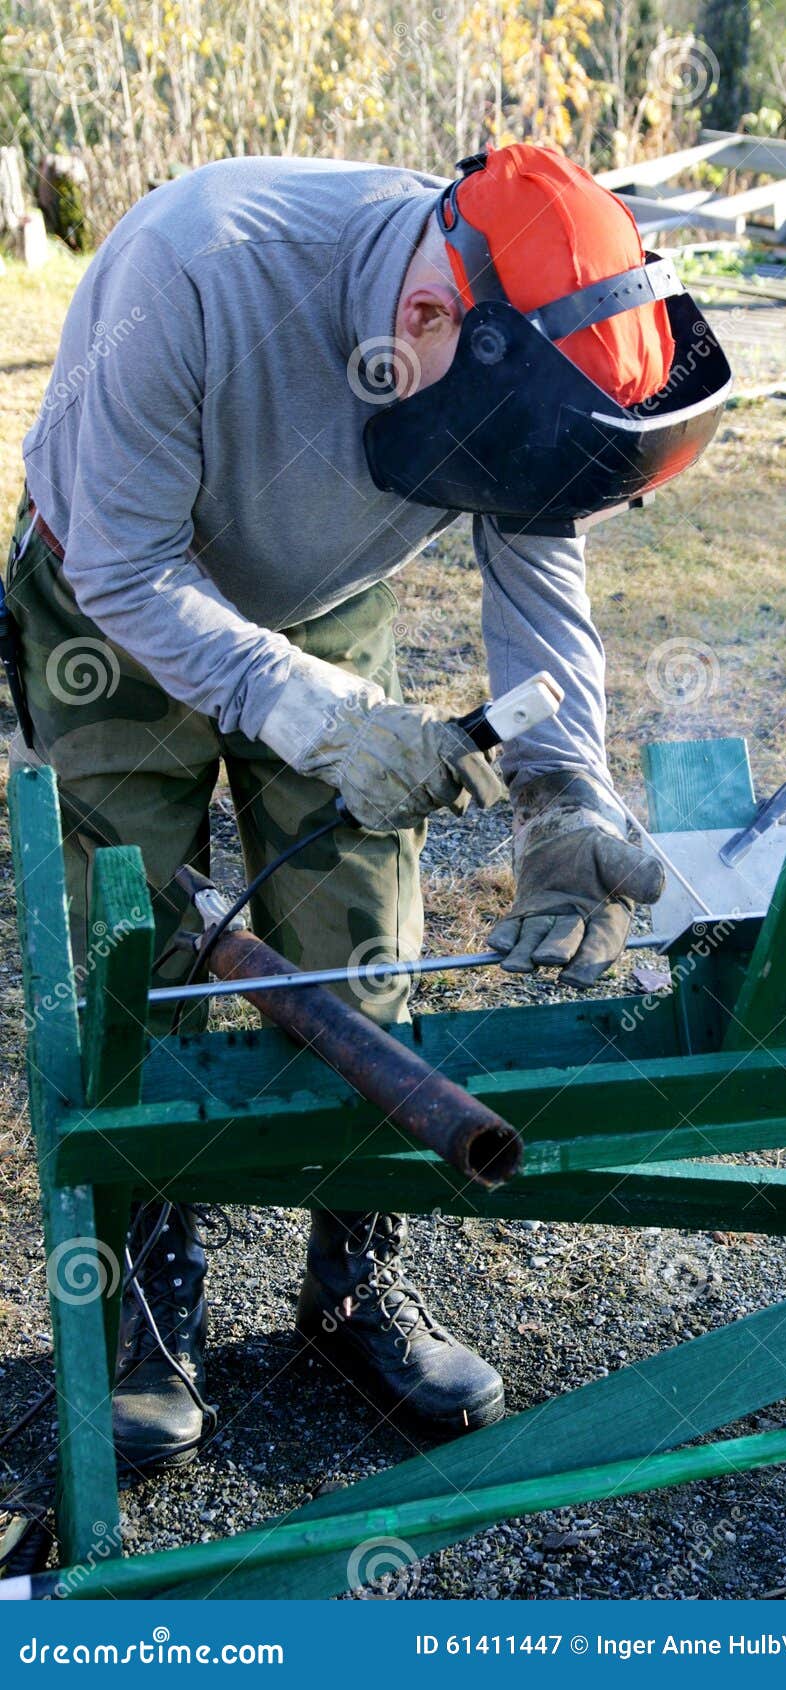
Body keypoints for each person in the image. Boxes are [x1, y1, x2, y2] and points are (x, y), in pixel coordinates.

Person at [5, 142, 729, 1469]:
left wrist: (561, 788)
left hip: (321, 600)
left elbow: (539, 583)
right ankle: (144, 1297)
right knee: (140, 956)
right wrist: (322, 719)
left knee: (359, 945)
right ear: (420, 322)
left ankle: (352, 1276)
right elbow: (123, 561)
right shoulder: (197, 271)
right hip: (109, 594)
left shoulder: (521, 328)